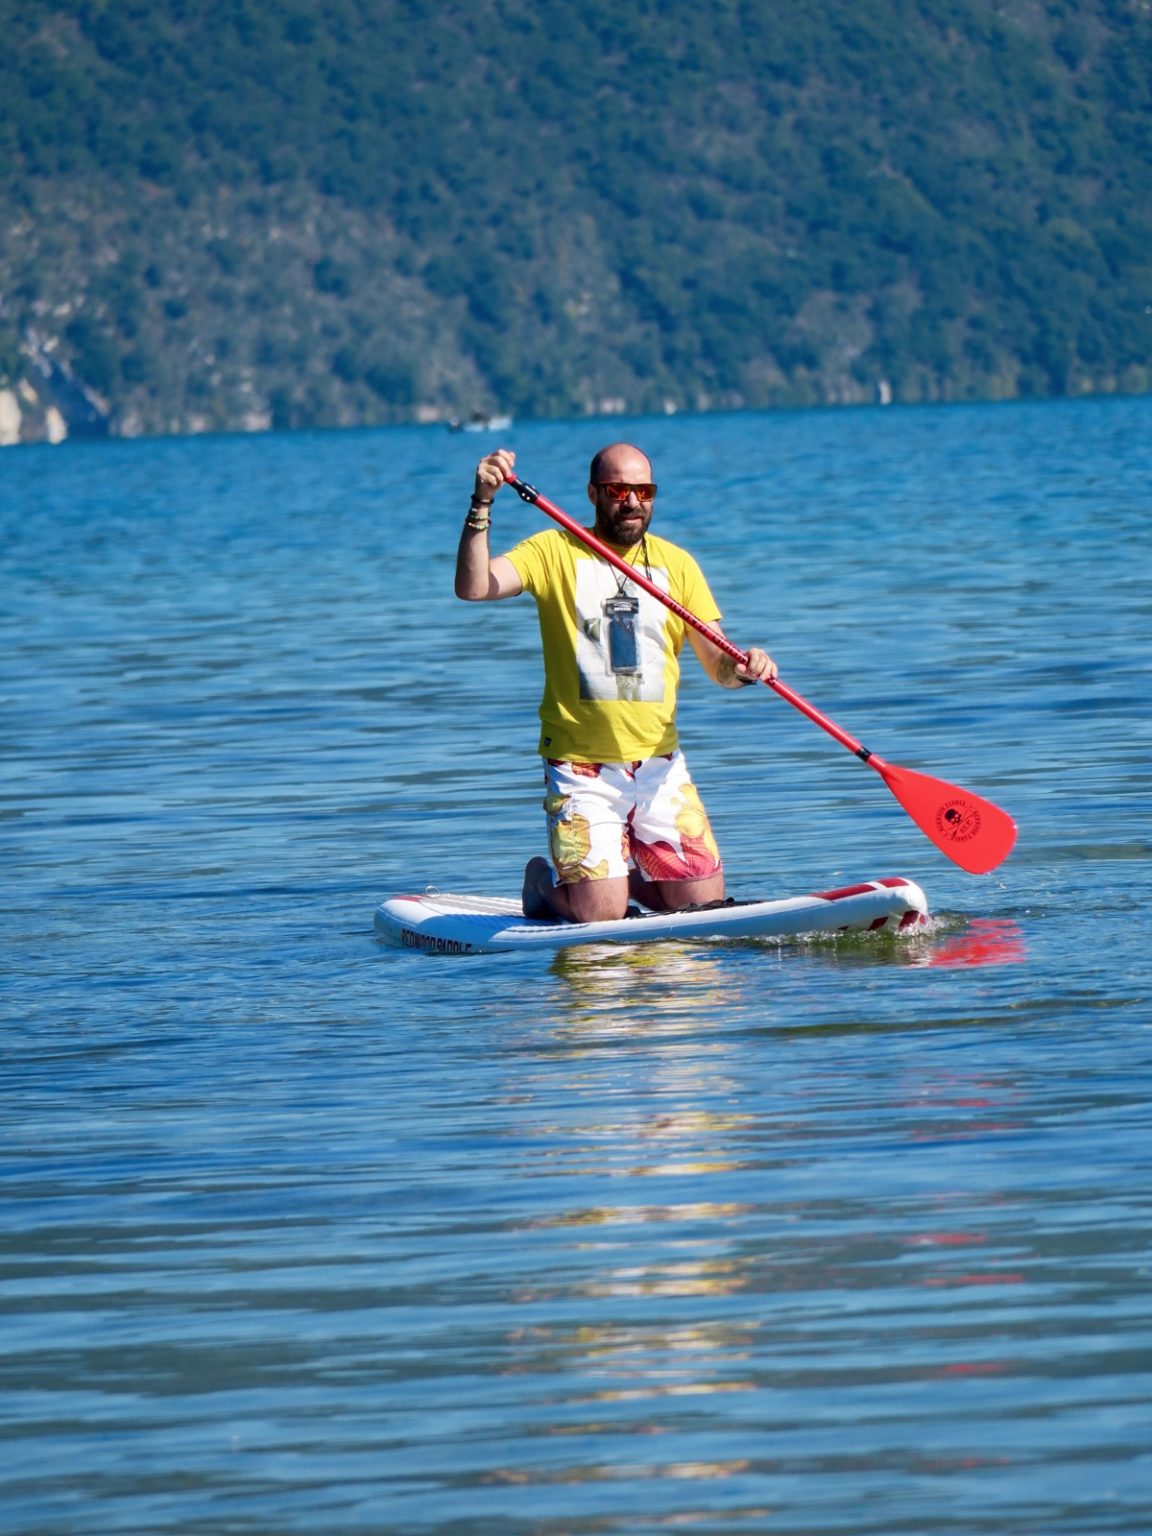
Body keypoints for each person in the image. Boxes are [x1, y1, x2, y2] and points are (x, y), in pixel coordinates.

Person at [455, 442, 776, 922]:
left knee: (703, 909)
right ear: (593, 493)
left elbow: (719, 666)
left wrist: (744, 669)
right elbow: (474, 586)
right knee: (600, 918)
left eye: (643, 491)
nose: (632, 501)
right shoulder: (552, 550)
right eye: (617, 489)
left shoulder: (677, 565)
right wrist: (482, 503)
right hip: (581, 768)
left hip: (659, 767)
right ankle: (544, 883)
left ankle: (629, 879)